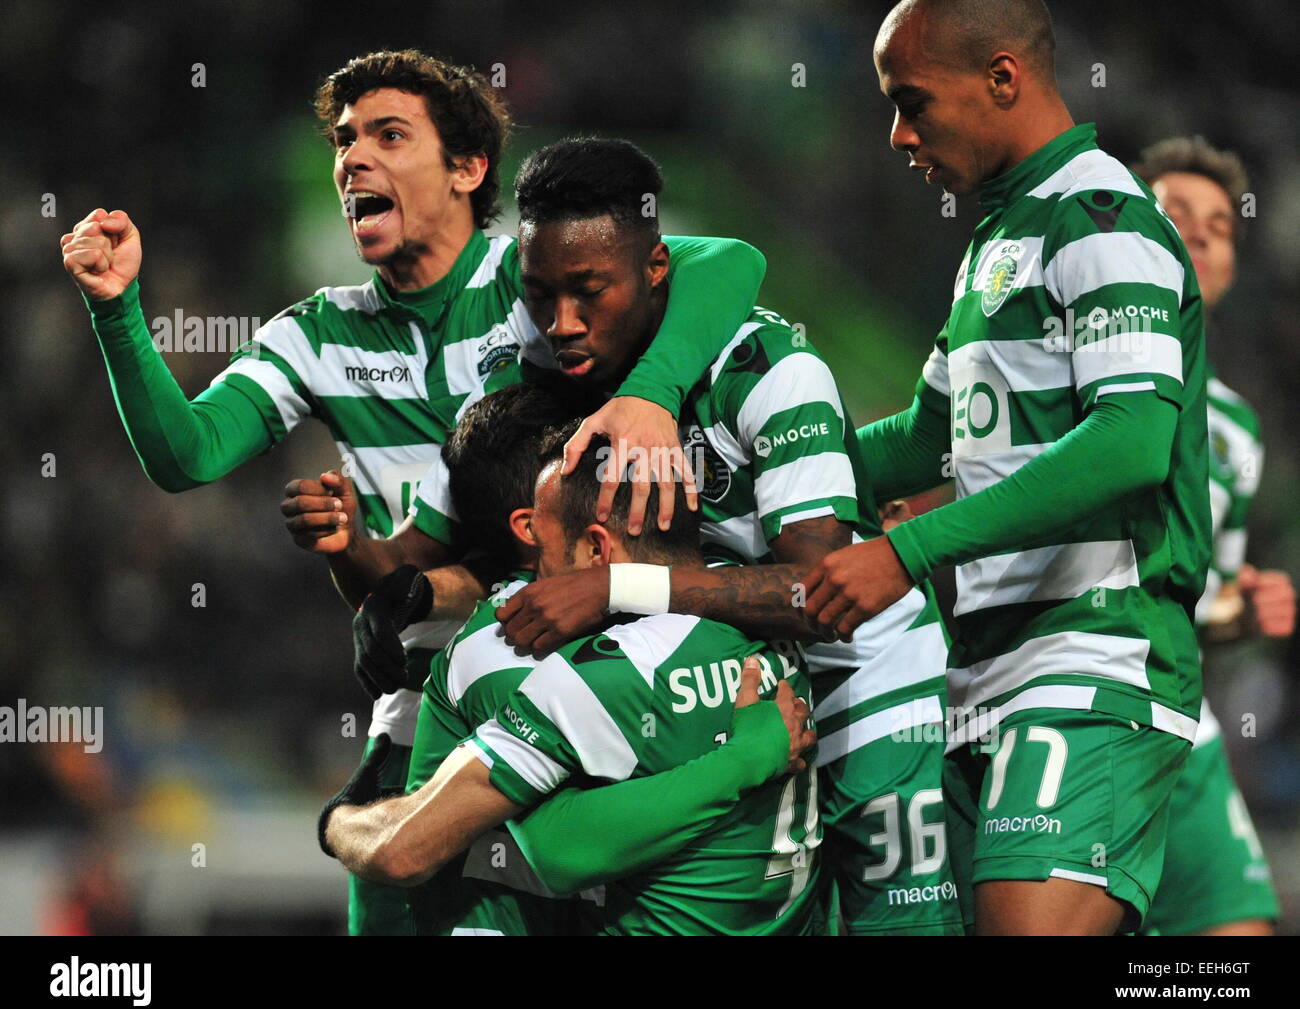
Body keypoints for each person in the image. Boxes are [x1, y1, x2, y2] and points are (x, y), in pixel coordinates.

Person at [59, 49, 768, 935]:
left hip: (581, 680)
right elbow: (188, 455)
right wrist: (118, 312)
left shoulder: (536, 280)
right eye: (344, 140)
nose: (354, 158)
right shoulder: (318, 334)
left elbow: (731, 261)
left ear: (467, 169)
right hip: (427, 700)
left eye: (389, 136)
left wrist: (651, 397)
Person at [301, 137, 960, 934]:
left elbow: (819, 595)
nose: (562, 322)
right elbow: (485, 553)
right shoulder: (545, 367)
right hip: (704, 669)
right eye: (539, 294)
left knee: (896, 924)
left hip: (856, 673)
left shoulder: (772, 375)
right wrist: (398, 590)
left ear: (655, 270)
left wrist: (617, 586)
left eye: (588, 292)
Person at [807, 0, 1211, 934]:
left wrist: (907, 552)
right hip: (985, 668)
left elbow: (1130, 440)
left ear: (1001, 77)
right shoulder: (998, 240)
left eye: (912, 101)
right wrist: (763, 471)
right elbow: (926, 439)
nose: (899, 135)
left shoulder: (1101, 218)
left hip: (1095, 651)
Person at [322, 443, 823, 935]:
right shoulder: (767, 614)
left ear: (596, 548)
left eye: (540, 552)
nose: (532, 581)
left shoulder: (582, 674)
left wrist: (337, 822)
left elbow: (416, 852)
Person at [1132, 135, 1294, 936]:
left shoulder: (1236, 430)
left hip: (1180, 723)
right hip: (1065, 702)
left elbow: (1203, 605)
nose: (1199, 232)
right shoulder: (1052, 369)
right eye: (1176, 213)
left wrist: (1241, 612)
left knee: (1235, 939)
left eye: (1220, 225)